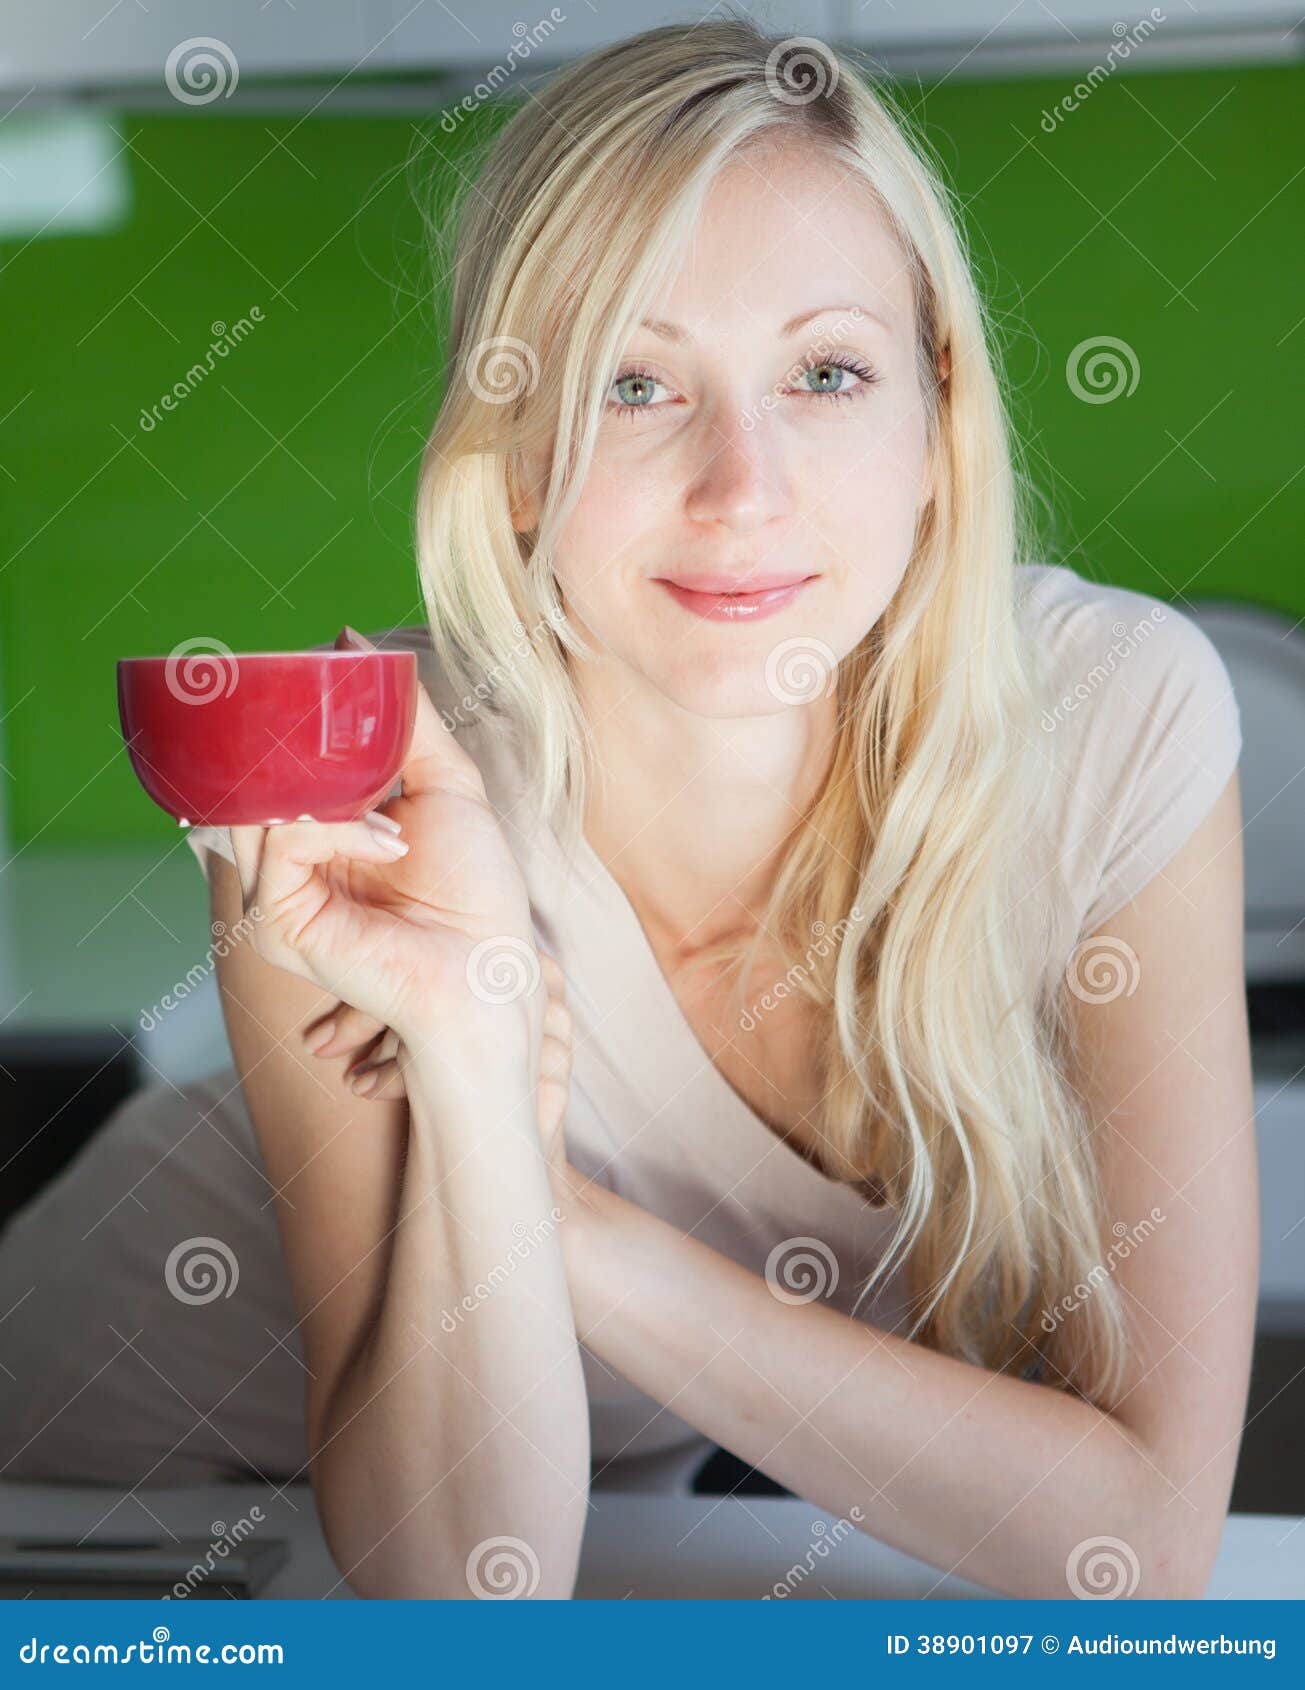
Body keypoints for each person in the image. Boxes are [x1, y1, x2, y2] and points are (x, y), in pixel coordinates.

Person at [0, 19, 1255, 1600]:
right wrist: (469, 1044)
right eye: (635, 382)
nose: (744, 484)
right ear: (515, 457)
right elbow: (452, 1583)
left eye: (825, 371)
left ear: (936, 421)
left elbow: (1130, 1544)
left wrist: (553, 1222)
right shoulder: (366, 779)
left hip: (595, 1487)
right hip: (79, 1493)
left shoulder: (1112, 720)